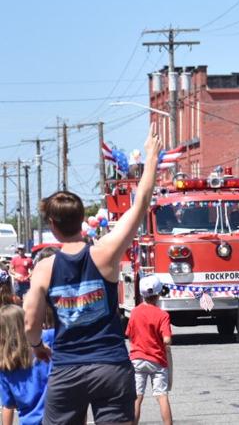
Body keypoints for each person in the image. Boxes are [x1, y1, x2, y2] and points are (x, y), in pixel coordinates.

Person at [22, 125, 161, 425]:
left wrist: (37, 346)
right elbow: (140, 204)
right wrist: (151, 157)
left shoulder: (44, 268)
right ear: (81, 218)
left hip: (67, 370)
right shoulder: (106, 253)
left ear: (52, 225)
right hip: (111, 365)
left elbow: (31, 321)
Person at [126, 276, 173, 425]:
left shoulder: (134, 312)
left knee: (137, 397)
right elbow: (167, 340)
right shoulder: (163, 315)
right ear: (158, 294)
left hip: (137, 359)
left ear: (141, 294)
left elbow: (129, 334)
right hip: (157, 361)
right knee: (162, 396)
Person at [0, 305, 53, 425]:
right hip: (58, 415)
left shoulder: (5, 365)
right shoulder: (46, 338)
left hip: (30, 421)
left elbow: (9, 405)